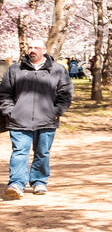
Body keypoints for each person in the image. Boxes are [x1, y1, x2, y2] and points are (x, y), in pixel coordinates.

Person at [1, 41, 73, 200]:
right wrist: (9, 111)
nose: (32, 50)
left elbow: (66, 94)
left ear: (44, 50)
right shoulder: (15, 69)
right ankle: (17, 184)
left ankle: (39, 181)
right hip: (18, 119)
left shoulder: (57, 70)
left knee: (42, 152)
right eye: (30, 47)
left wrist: (57, 111)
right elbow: (5, 92)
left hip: (47, 119)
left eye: (36, 48)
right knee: (19, 152)